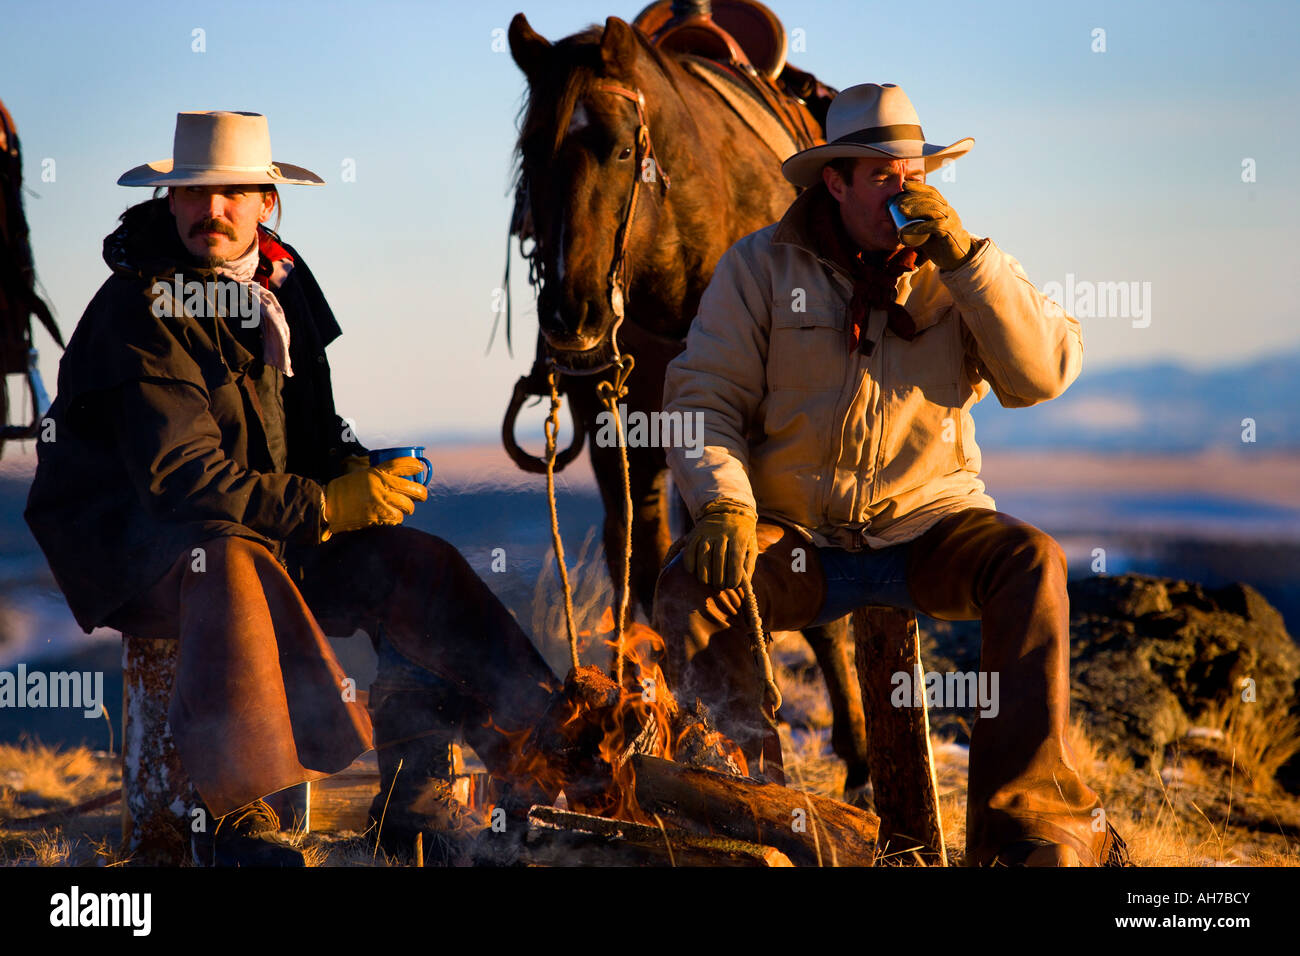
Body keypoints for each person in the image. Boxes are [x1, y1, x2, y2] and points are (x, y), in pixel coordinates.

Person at [24, 111, 563, 865]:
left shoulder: (282, 284)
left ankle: (524, 759)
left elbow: (309, 426)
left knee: (416, 564)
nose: (214, 209)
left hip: (261, 524)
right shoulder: (139, 310)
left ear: (265, 204)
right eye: (196, 193)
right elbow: (183, 484)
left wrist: (348, 467)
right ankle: (241, 824)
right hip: (139, 551)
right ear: (170, 201)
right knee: (229, 564)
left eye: (234, 192)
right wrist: (324, 506)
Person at [652, 84, 1127, 867]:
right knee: (692, 584)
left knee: (1031, 563)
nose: (905, 188)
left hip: (928, 528)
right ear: (834, 183)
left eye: (913, 169)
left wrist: (969, 264)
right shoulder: (761, 267)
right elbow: (702, 399)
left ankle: (1024, 836)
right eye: (881, 174)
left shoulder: (967, 266)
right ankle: (745, 809)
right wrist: (725, 506)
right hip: (798, 540)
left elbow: (1044, 374)